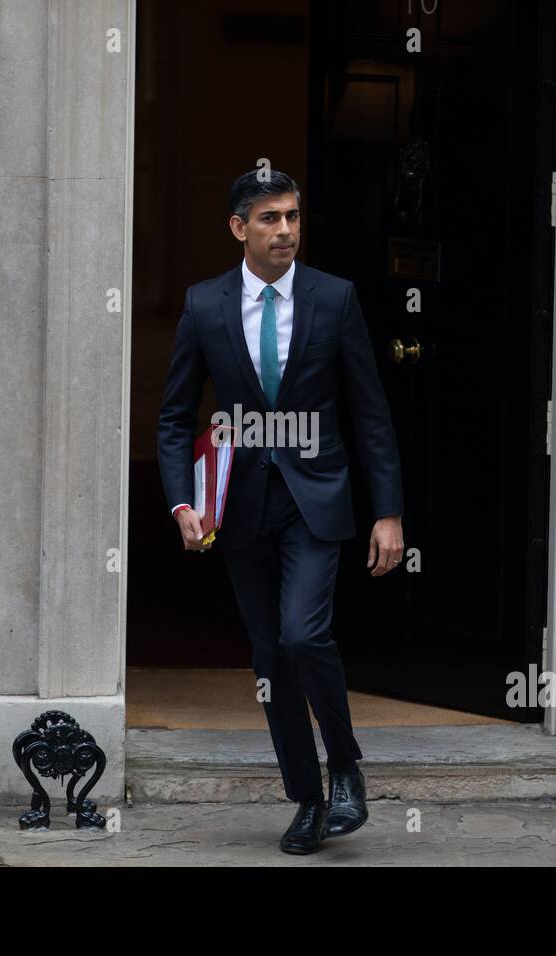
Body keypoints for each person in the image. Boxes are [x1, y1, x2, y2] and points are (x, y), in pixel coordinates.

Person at [157, 168, 405, 855]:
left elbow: (371, 413)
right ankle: (308, 799)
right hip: (238, 509)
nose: (286, 231)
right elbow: (176, 416)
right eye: (270, 218)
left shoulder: (336, 298)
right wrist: (183, 500)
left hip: (317, 499)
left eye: (293, 216)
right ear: (240, 228)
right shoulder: (205, 305)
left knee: (303, 636)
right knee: (270, 660)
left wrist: (389, 512)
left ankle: (346, 764)